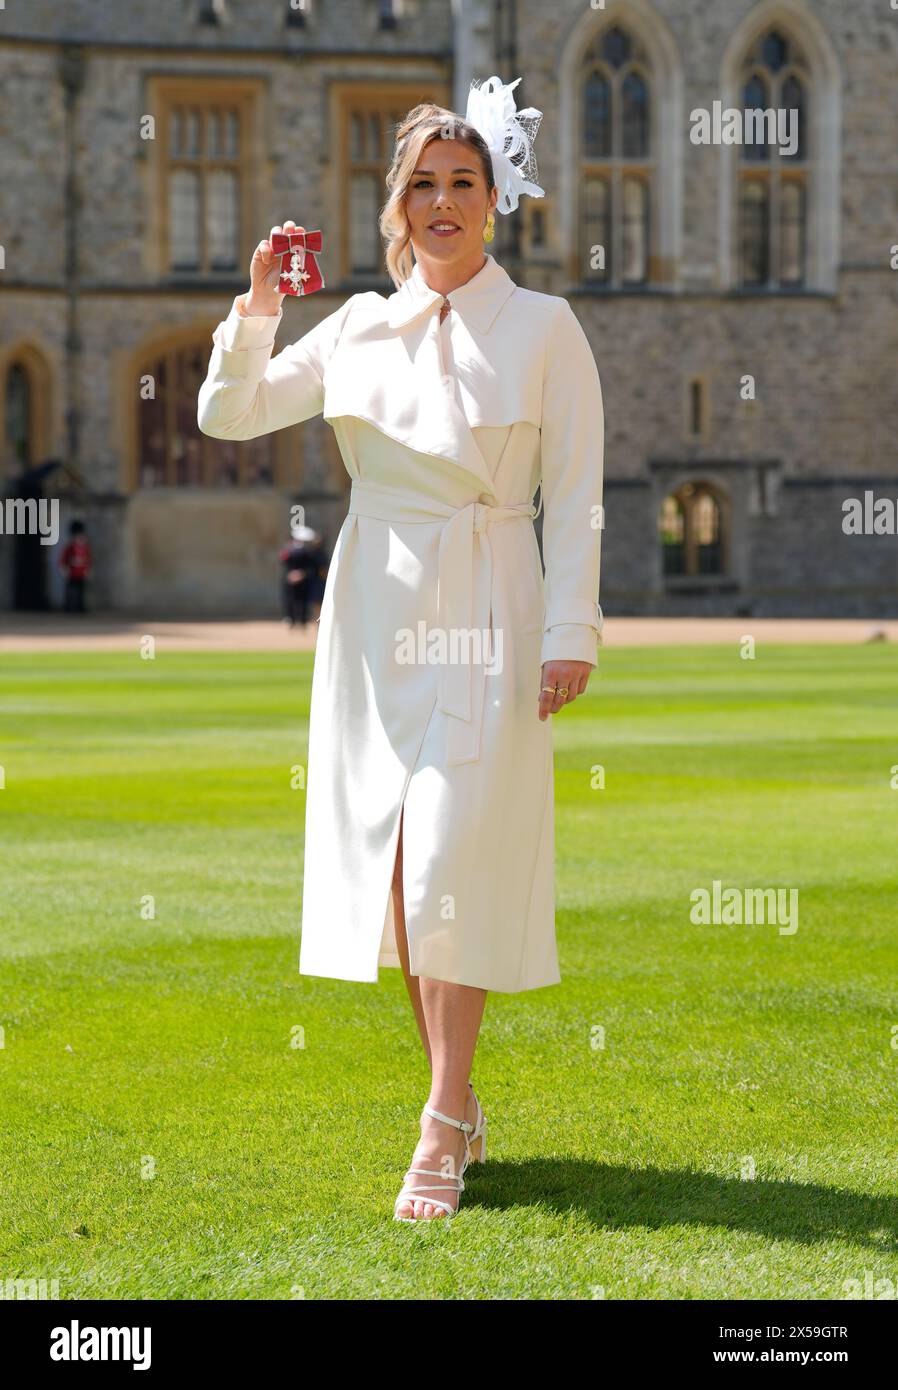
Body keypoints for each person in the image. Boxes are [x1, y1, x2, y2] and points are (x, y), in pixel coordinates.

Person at [198, 75, 604, 1222]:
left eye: (461, 184)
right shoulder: (359, 327)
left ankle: (441, 1115)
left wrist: (570, 629)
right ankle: (456, 1100)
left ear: (493, 201)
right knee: (393, 871)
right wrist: (259, 306)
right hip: (375, 611)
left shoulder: (544, 328)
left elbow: (573, 498)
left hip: (489, 602)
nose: (441, 203)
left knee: (447, 866)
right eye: (421, 185)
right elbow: (230, 416)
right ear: (395, 207)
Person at [60, 519, 93, 613]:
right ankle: (69, 607)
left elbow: (88, 560)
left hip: (81, 573)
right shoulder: (69, 547)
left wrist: (88, 570)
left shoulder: (85, 547)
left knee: (81, 592)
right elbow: (64, 559)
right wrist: (64, 569)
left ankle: (80, 608)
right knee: (71, 592)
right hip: (72, 572)